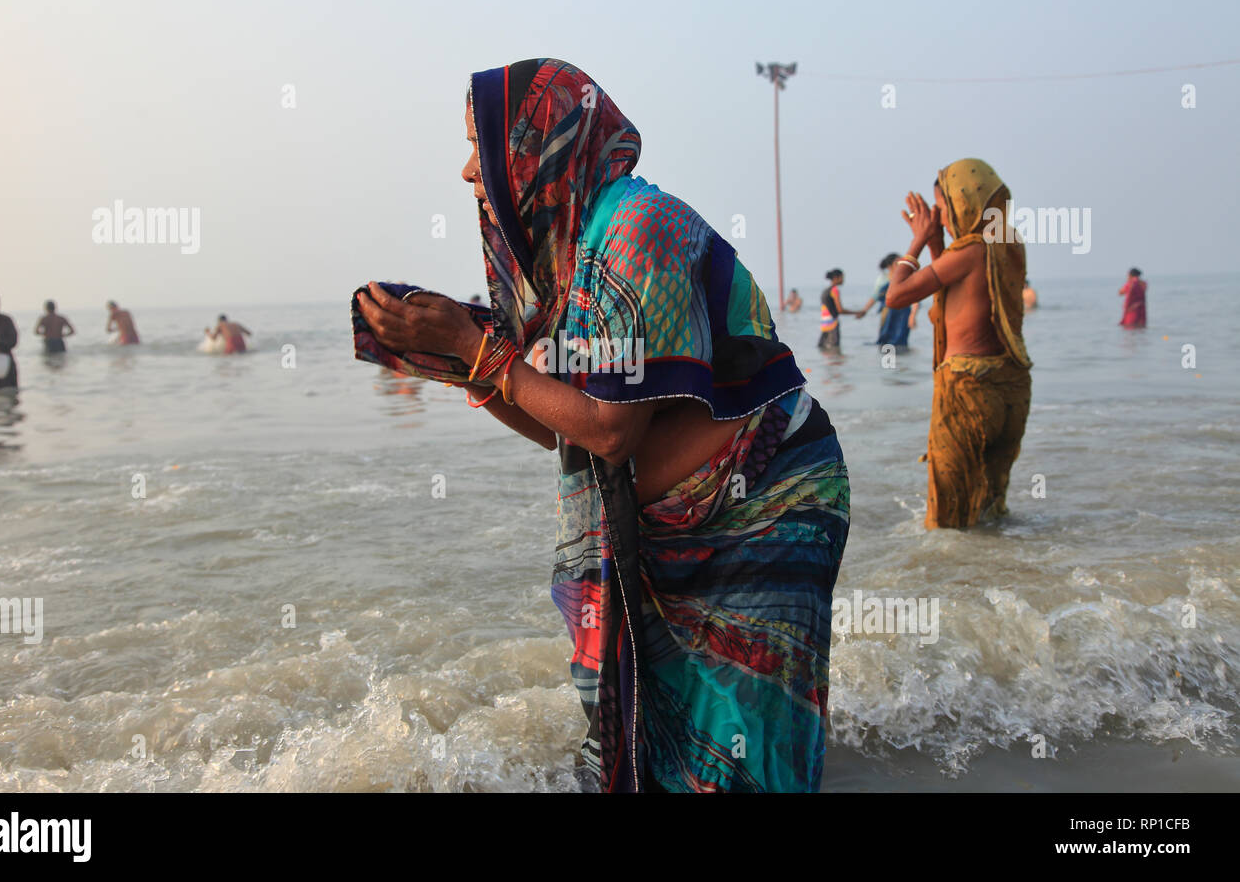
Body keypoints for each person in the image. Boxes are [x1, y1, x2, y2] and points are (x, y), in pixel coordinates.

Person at [352, 58, 850, 793]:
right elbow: (575, 432)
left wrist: (476, 348)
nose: (467, 172)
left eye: (477, 145)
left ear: (538, 145)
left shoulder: (636, 230)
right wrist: (465, 367)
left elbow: (612, 432)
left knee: (745, 746)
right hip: (674, 531)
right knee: (673, 751)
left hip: (761, 512)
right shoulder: (571, 266)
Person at [885, 158, 1032, 529]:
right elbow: (959, 297)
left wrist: (917, 241)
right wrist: (939, 243)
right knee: (988, 508)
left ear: (966, 205)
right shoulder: (1009, 245)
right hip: (1010, 390)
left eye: (943, 208)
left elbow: (896, 296)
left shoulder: (968, 252)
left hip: (967, 390)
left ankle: (954, 581)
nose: (939, 217)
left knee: (948, 520)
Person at [818, 269, 865, 350]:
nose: (843, 280)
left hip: (824, 325)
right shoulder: (834, 290)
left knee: (825, 352)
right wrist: (857, 312)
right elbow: (840, 310)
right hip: (832, 325)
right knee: (835, 351)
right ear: (836, 278)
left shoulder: (825, 291)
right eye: (842, 277)